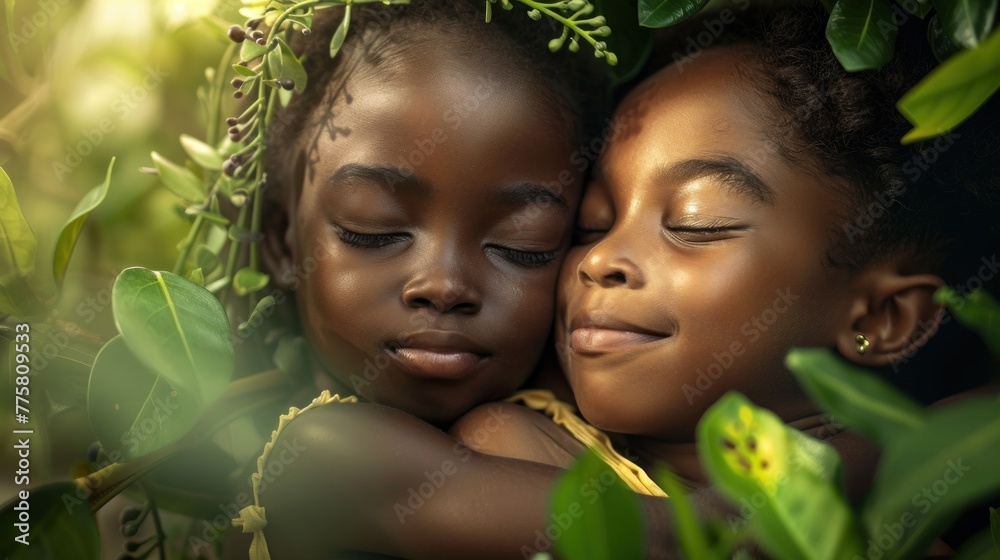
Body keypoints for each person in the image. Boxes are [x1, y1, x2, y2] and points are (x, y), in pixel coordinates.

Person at [227, 4, 999, 559]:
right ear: (281, 240)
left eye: (533, 244)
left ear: (888, 317)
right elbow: (709, 534)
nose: (598, 261)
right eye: (590, 230)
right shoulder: (449, 448)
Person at [251, 1, 606, 426]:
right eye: (372, 229)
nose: (444, 285)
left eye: (523, 244)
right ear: (281, 240)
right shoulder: (316, 452)